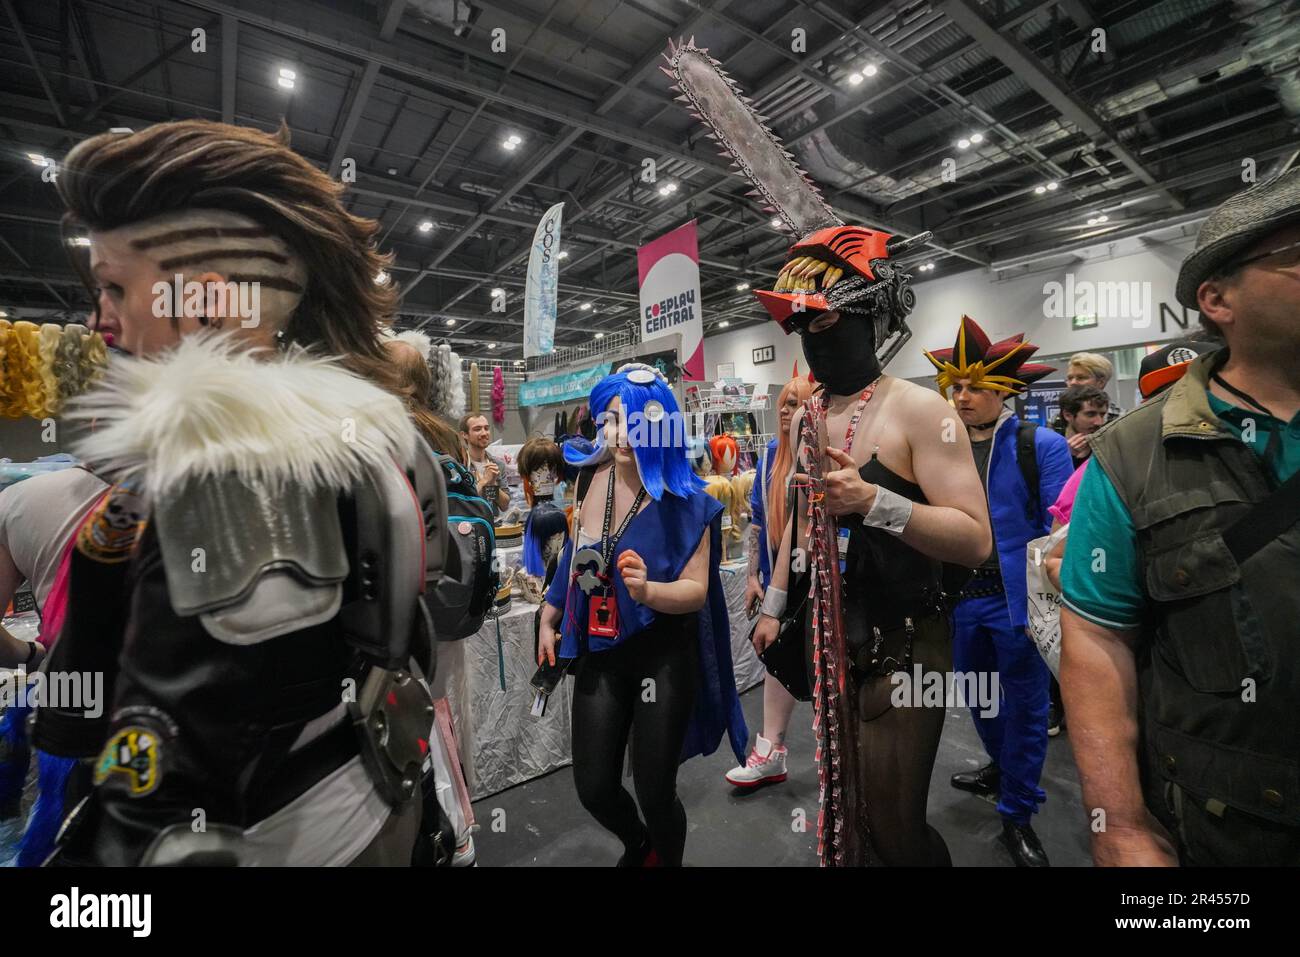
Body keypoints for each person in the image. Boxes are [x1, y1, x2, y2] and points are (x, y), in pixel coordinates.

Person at [31, 119, 451, 867]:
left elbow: (169, 823)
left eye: (116, 287)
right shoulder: (363, 437)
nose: (98, 319)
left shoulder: (231, 477)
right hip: (366, 812)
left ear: (208, 303)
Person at [1060, 170, 1300, 866]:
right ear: (1217, 298)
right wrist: (1118, 822)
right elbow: (1098, 638)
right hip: (1226, 823)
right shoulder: (1133, 454)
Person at [752, 284, 992, 867]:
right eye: (801, 325)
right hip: (833, 637)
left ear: (872, 322)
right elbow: (803, 524)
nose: (812, 338)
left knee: (893, 825)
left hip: (906, 637)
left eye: (827, 321)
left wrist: (874, 502)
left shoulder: (922, 410)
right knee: (850, 803)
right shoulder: (807, 417)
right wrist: (776, 602)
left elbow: (975, 540)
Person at [537, 364, 747, 866]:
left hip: (663, 657)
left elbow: (696, 591)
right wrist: (550, 610)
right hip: (601, 650)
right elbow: (577, 553)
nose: (621, 434)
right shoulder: (592, 478)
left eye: (636, 422)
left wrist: (649, 590)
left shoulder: (690, 499)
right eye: (611, 420)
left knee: (656, 791)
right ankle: (640, 846)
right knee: (593, 786)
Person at [923, 315, 1073, 867]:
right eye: (954, 386)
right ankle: (1002, 767)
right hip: (958, 599)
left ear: (1003, 390)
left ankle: (1017, 812)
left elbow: (1059, 527)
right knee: (981, 698)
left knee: (1028, 707)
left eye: (974, 387)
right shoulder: (939, 444)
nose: (961, 396)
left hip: (1020, 601)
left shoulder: (1042, 444)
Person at [726, 372, 812, 788]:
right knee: (775, 658)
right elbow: (758, 523)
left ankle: (841, 757)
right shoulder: (771, 458)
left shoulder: (819, 454)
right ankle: (770, 751)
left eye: (796, 403)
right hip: (781, 583)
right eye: (783, 401)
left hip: (821, 585)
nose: (785, 409)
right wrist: (752, 576)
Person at [460, 412, 510, 515]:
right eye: (477, 429)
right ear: (464, 435)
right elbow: (463, 504)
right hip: (469, 526)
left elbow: (504, 506)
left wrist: (492, 485)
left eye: (486, 428)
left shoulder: (497, 464)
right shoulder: (459, 464)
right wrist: (485, 481)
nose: (484, 433)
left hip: (492, 526)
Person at [1056, 384, 1110, 469]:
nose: (1099, 422)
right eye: (1090, 414)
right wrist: (1067, 457)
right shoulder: (1051, 447)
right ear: (1068, 415)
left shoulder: (1108, 446)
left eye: (1102, 415)